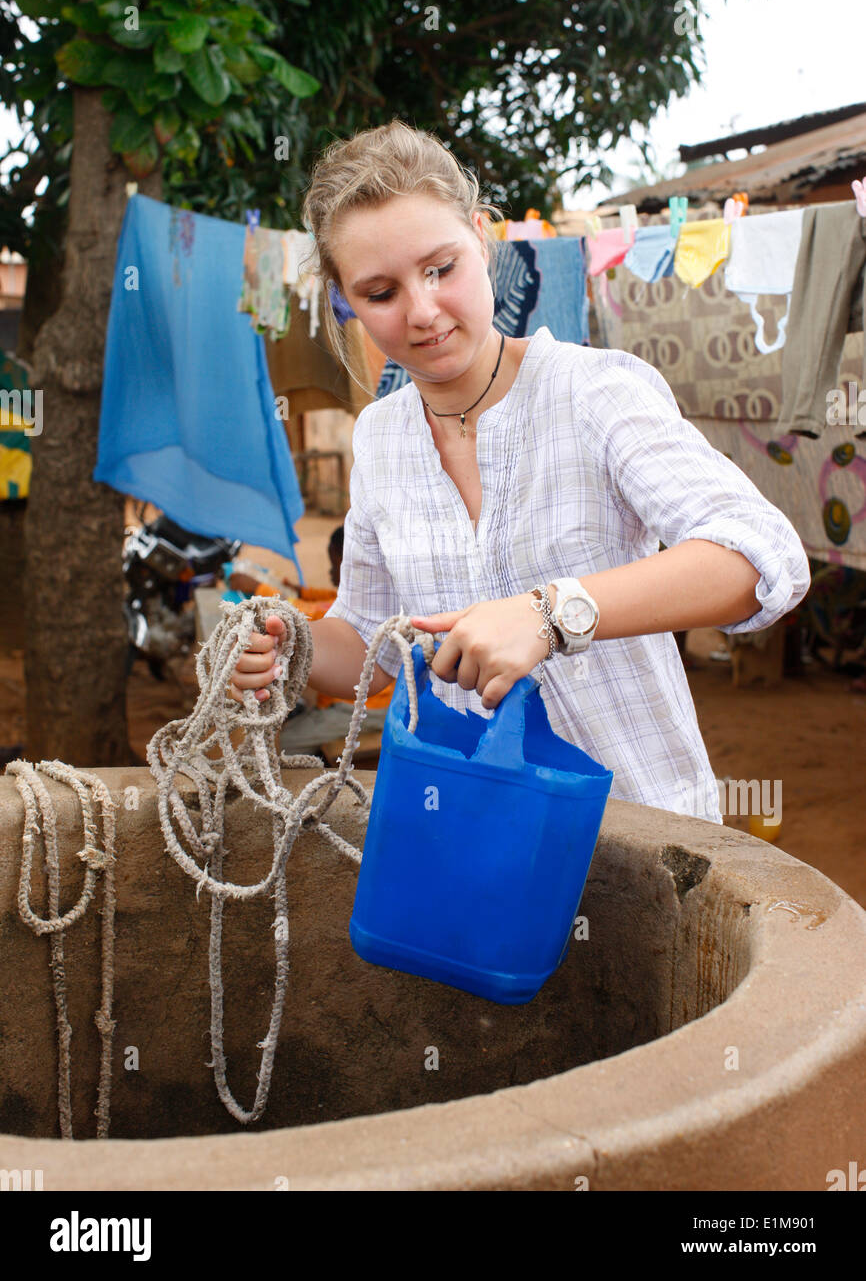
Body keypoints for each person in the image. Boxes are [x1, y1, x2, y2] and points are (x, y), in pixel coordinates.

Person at [230, 120, 810, 823]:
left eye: (441, 268)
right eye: (380, 292)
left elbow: (762, 555)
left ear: (483, 237)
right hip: (473, 837)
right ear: (345, 299)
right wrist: (287, 644)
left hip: (642, 830)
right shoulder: (381, 436)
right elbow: (374, 643)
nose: (423, 312)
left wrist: (550, 615)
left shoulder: (591, 391)